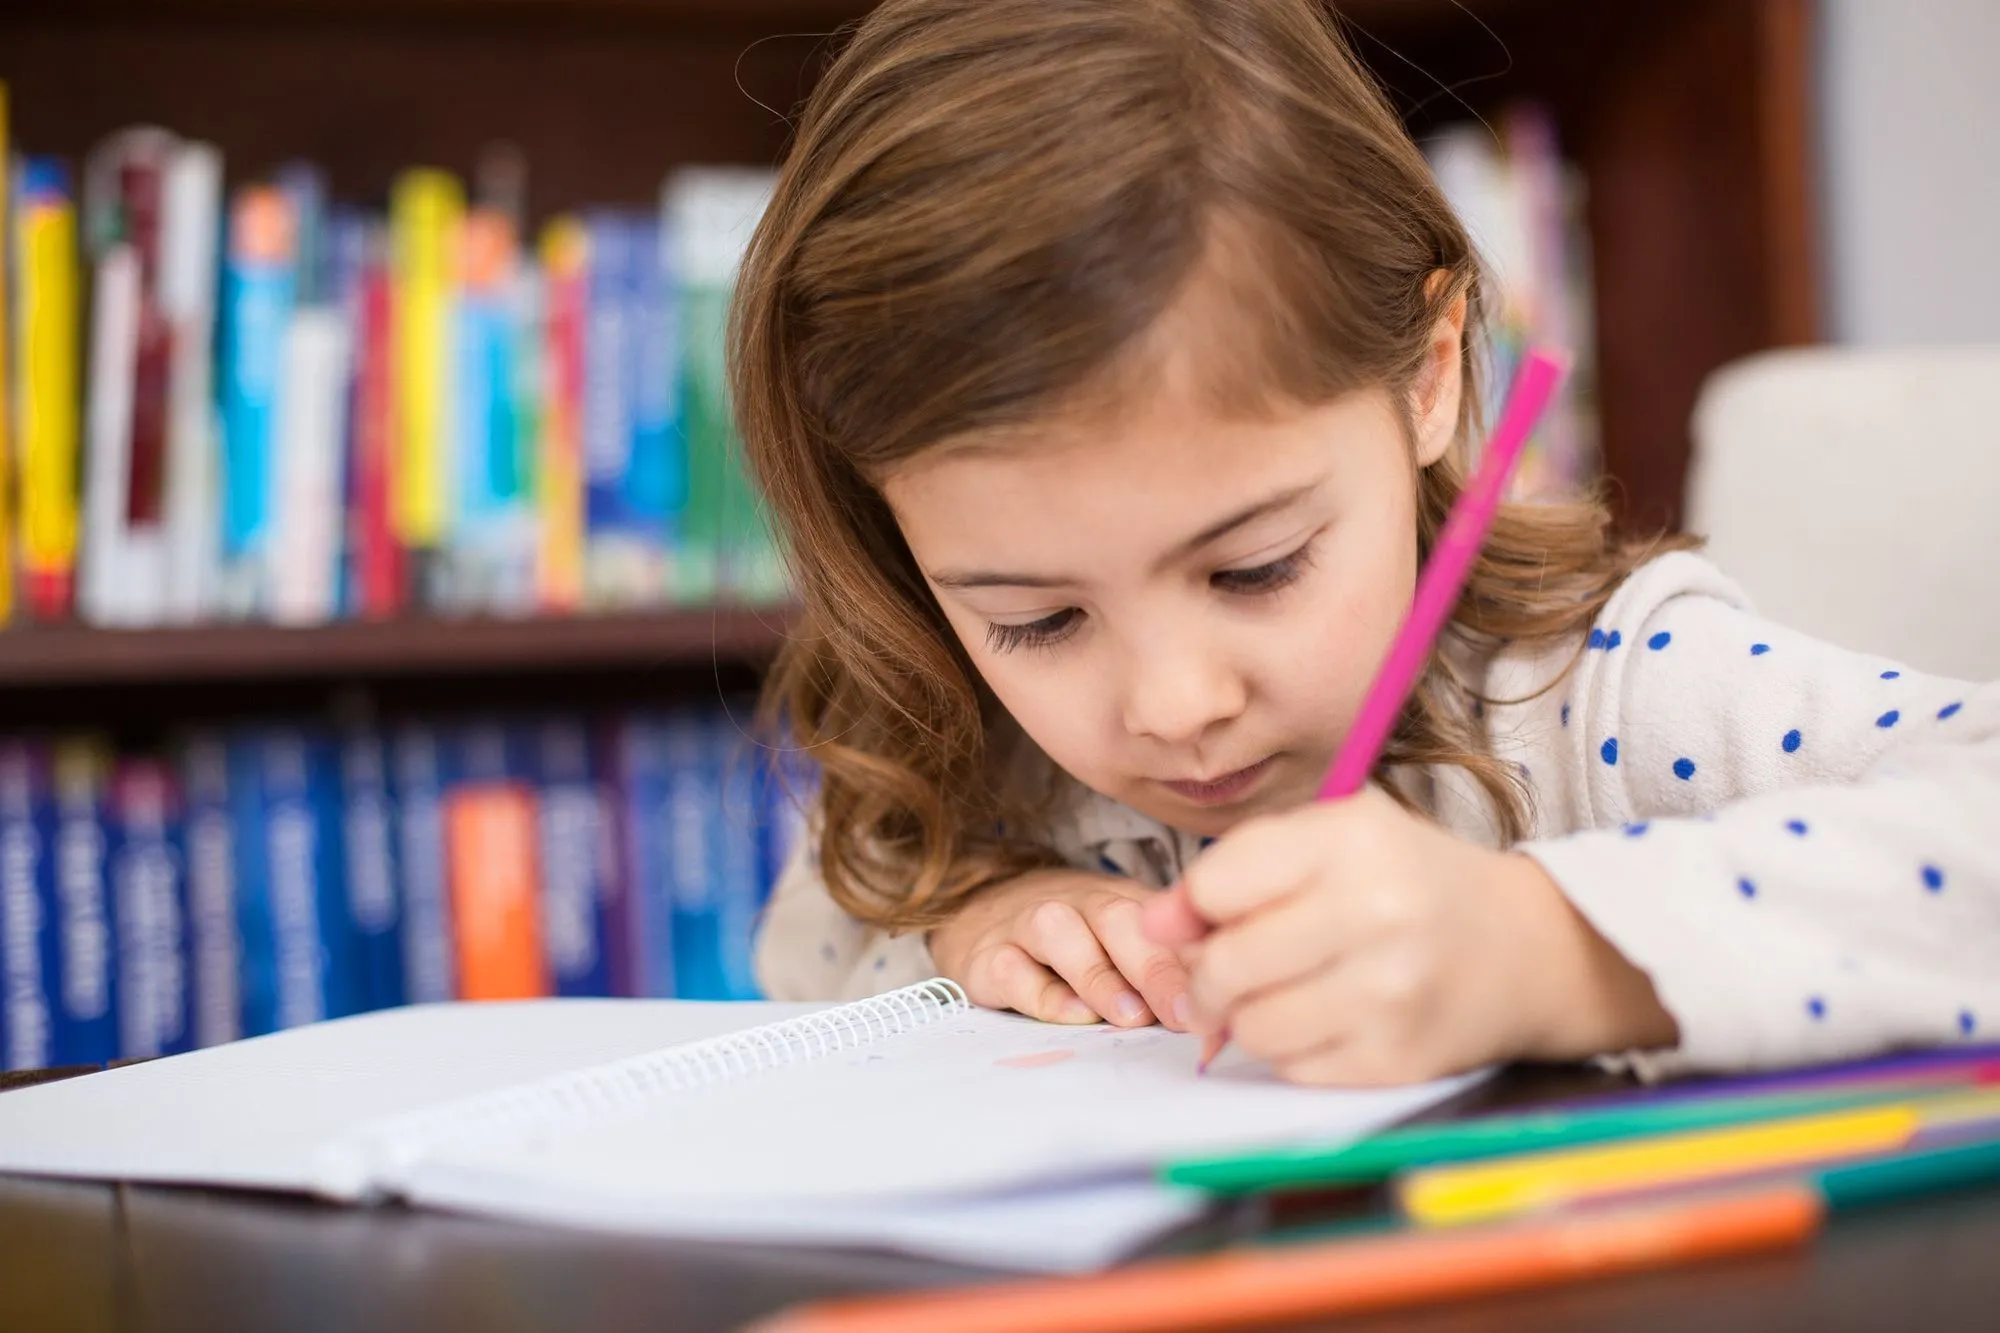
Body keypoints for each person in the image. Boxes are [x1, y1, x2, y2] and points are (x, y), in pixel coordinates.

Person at [735, 0, 1998, 1084]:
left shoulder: (1598, 692)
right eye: (1036, 619)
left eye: (1254, 566)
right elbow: (801, 950)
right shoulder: (976, 753)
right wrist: (976, 923)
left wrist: (1547, 948)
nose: (1175, 706)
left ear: (1426, 375)